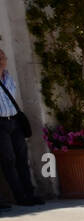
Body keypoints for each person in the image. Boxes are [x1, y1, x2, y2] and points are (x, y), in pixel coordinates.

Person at [0, 46, 43, 210]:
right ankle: (20, 196)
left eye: (3, 56)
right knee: (8, 160)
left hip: (14, 122)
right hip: (0, 124)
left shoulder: (9, 78)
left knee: (22, 158)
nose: (2, 59)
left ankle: (30, 193)